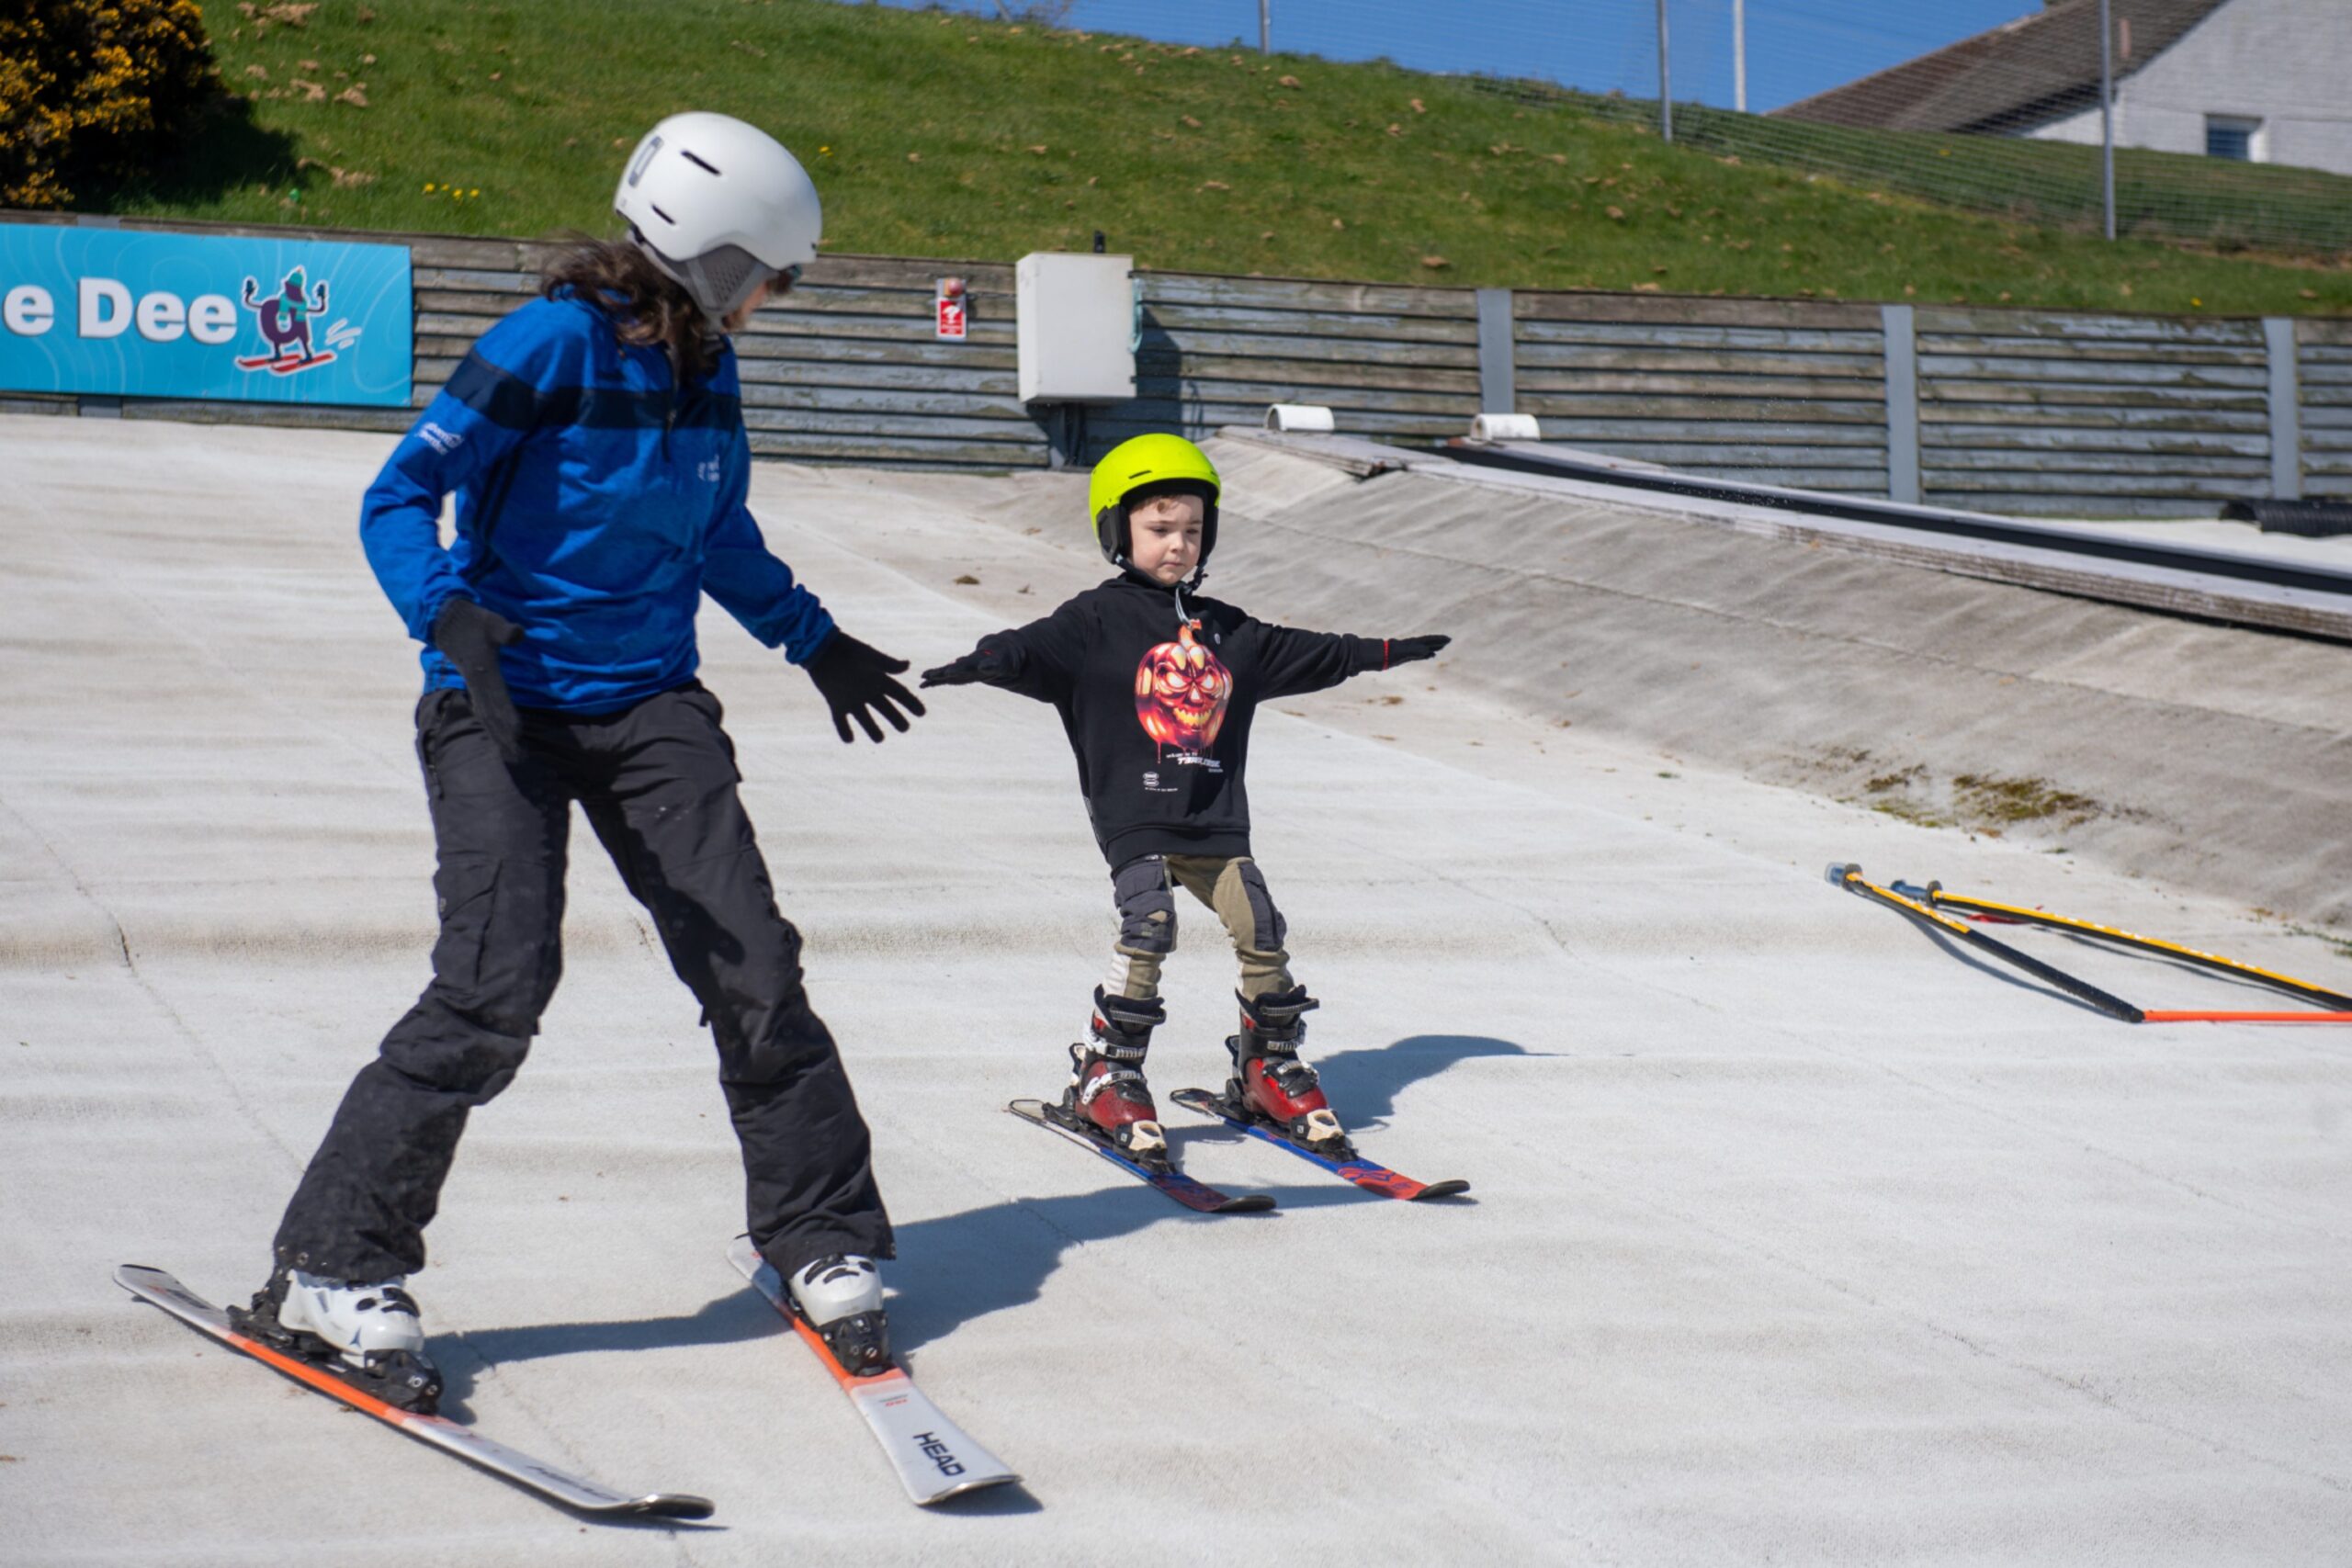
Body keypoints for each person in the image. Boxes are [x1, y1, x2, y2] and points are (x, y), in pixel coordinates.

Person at [238, 113, 921, 1409]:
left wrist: (816, 640)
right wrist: (444, 611)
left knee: (755, 968)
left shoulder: (706, 367)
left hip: (649, 703)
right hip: (501, 700)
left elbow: (719, 532)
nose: (778, 297)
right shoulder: (543, 344)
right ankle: (334, 1263)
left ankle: (817, 1232)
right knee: (496, 982)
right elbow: (397, 493)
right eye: (776, 272)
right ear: (721, 255)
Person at [919, 434, 1449, 1167]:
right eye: (1160, 529)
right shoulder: (1093, 621)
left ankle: (1268, 1066)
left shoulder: (1229, 629)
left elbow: (1314, 650)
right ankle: (1108, 1071)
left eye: (1193, 530)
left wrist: (1384, 650)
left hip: (1214, 818)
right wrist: (987, 660)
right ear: (1118, 531)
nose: (1178, 545)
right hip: (1137, 815)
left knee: (1260, 923)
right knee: (1151, 925)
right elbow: (1032, 647)